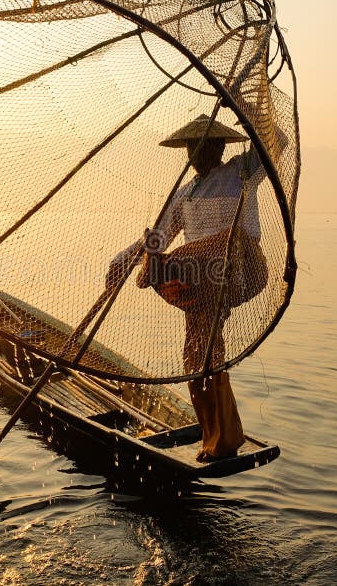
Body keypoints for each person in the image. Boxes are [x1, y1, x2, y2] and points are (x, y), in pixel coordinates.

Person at [108, 114, 267, 461]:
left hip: (238, 268)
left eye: (203, 147)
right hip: (202, 281)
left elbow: (274, 142)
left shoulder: (242, 172)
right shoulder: (186, 192)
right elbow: (159, 237)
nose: (196, 156)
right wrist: (121, 261)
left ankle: (224, 438)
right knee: (198, 354)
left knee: (204, 346)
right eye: (192, 149)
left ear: (219, 147)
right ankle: (219, 437)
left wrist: (246, 105)